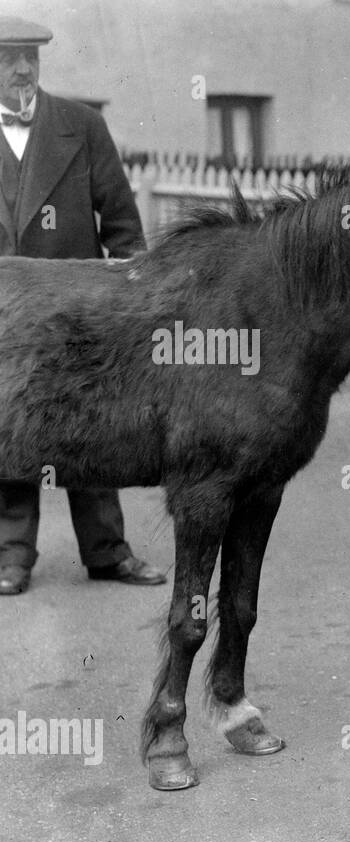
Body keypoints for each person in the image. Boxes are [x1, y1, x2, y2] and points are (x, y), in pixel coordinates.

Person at [0, 16, 165, 596]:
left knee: (90, 428)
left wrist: (134, 298)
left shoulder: (82, 126)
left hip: (80, 315)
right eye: (9, 57)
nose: (22, 67)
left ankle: (107, 550)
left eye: (30, 57)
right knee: (9, 428)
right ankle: (10, 555)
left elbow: (121, 222)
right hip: (5, 320)